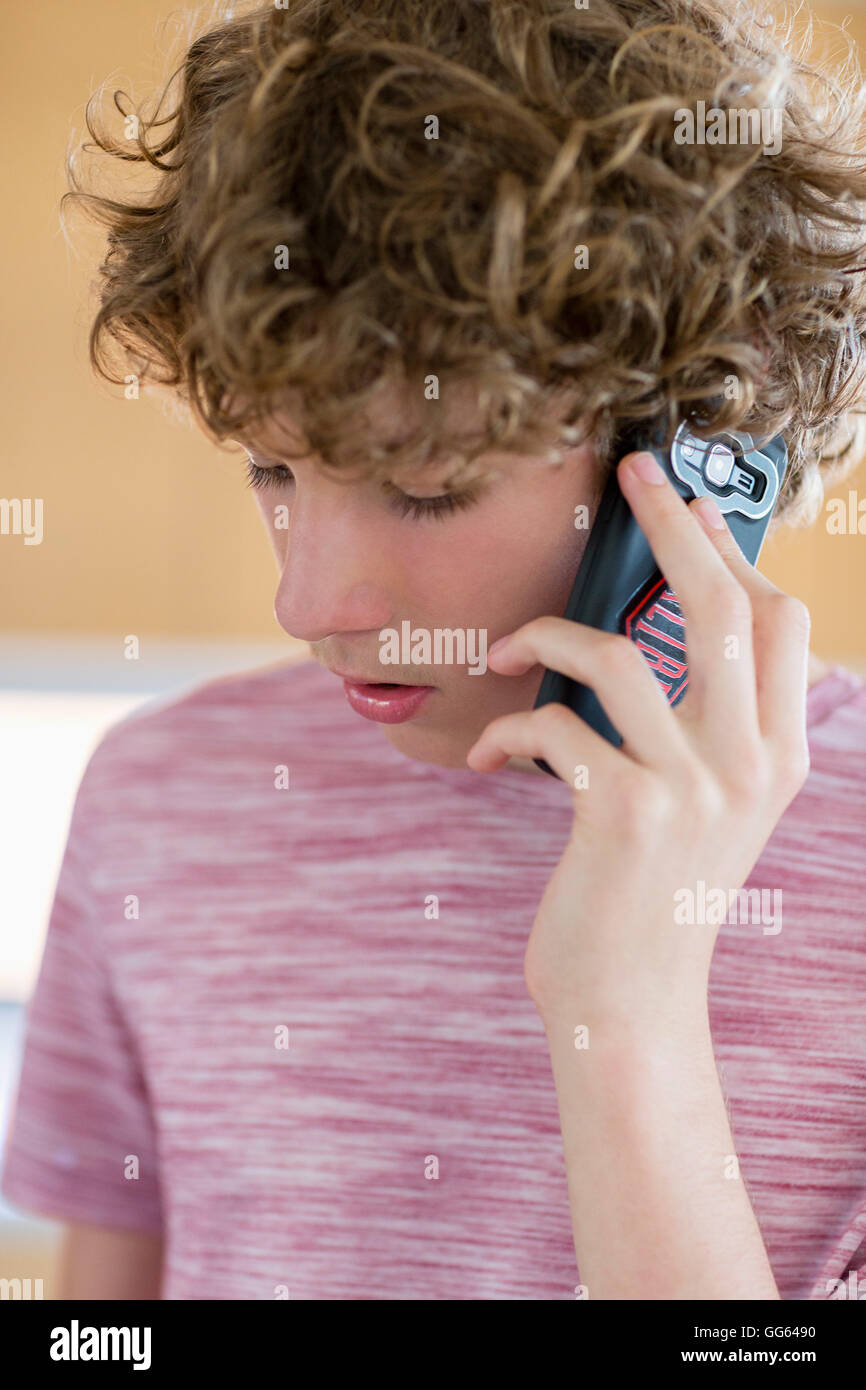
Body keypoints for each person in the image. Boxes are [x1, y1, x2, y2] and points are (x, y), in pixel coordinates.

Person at [3, 0, 866, 1300]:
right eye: (273, 469)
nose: (306, 601)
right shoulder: (157, 797)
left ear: (707, 453)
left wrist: (625, 1009)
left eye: (425, 488)